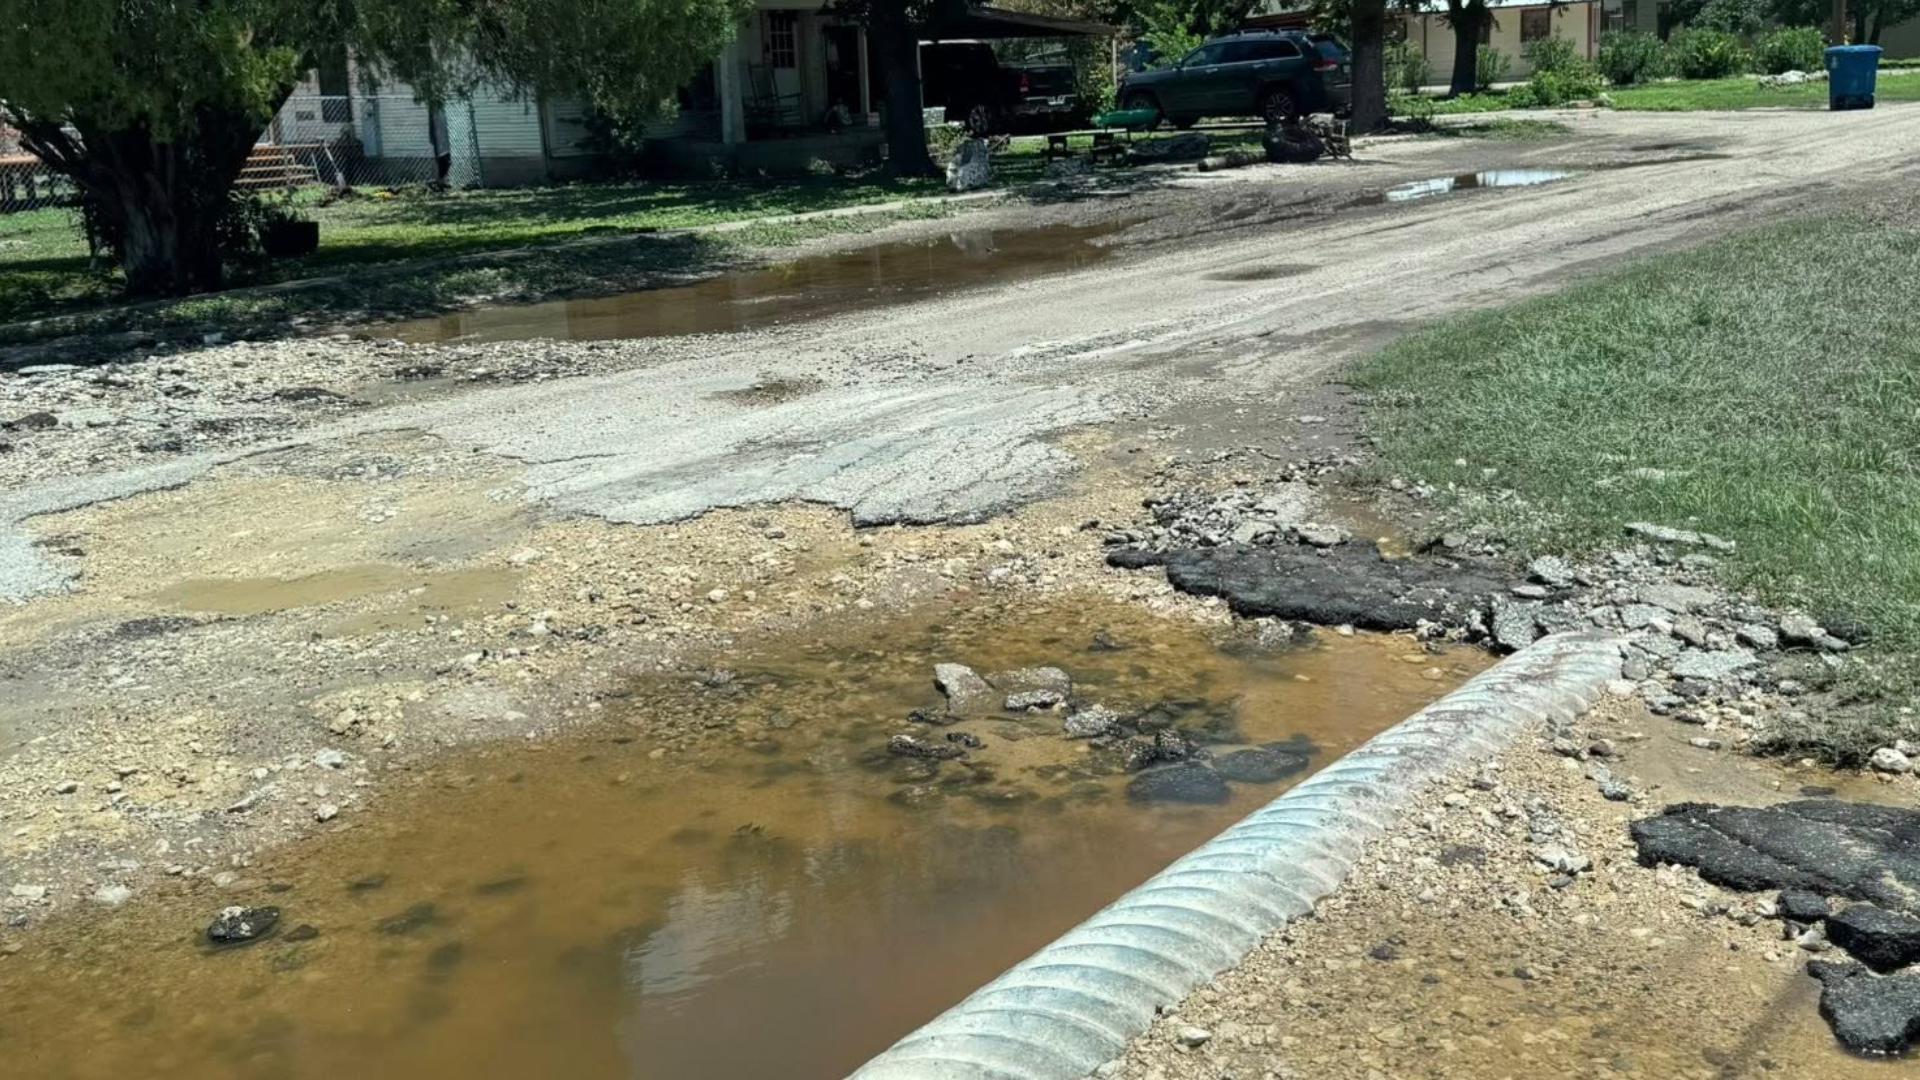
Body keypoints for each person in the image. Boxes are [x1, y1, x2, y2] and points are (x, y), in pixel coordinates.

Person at [427, 102, 451, 185]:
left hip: (443, 146)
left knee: (444, 160)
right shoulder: (435, 116)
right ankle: (441, 180)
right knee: (442, 160)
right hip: (440, 146)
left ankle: (442, 180)